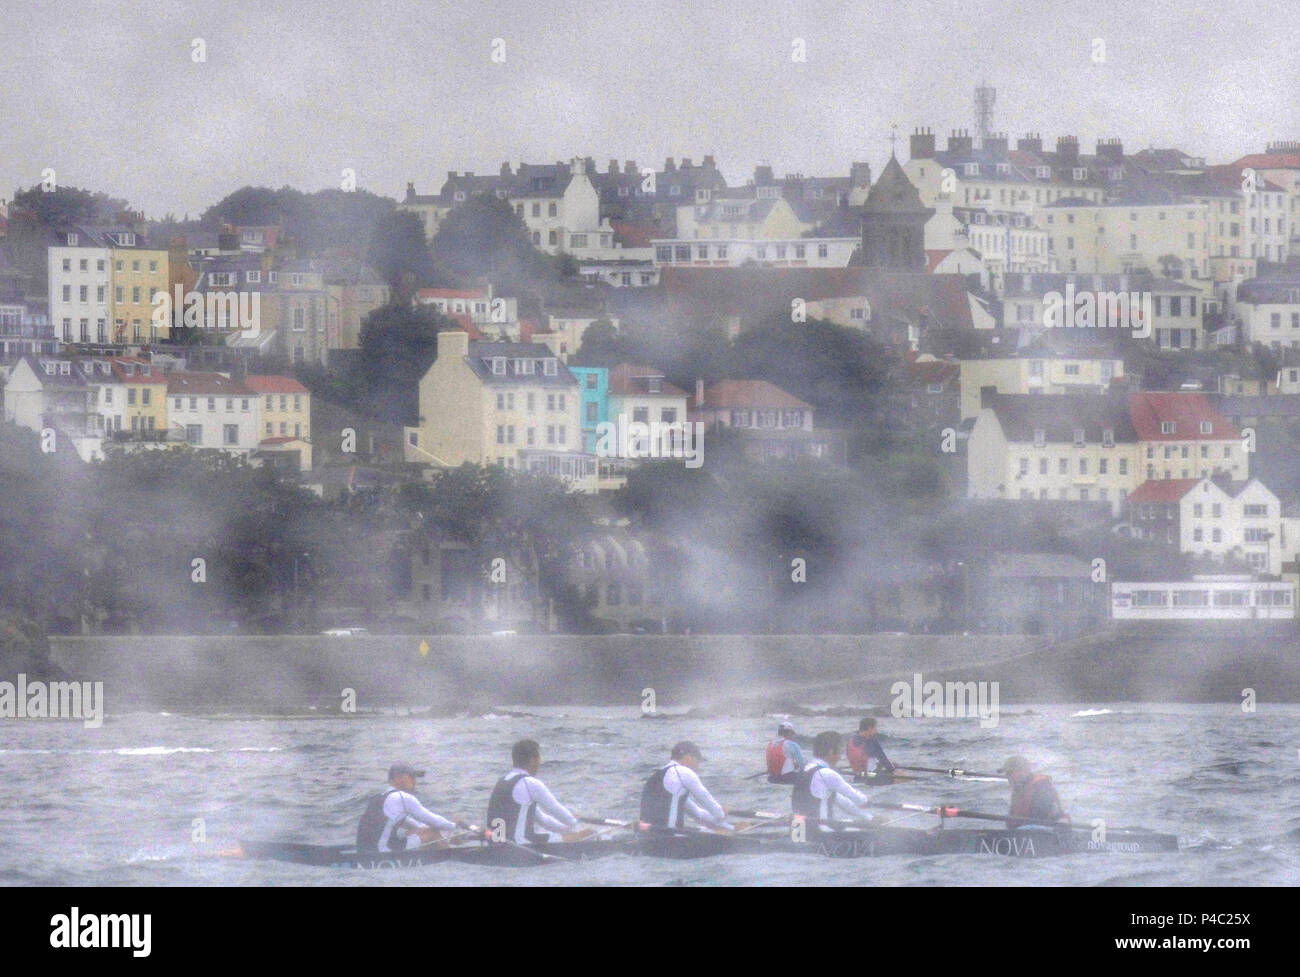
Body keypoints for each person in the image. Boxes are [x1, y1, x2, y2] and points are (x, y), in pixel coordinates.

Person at [486, 739, 593, 845]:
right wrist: (575, 824)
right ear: (533, 760)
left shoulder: (502, 781)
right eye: (539, 758)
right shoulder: (530, 783)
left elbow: (543, 820)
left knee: (567, 835)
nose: (539, 763)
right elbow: (555, 809)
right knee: (586, 835)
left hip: (495, 844)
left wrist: (568, 830)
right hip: (521, 845)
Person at [356, 762, 458, 853]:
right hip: (382, 852)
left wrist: (446, 834)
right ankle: (450, 857)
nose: (415, 782)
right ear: (398, 779)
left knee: (421, 830)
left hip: (363, 851)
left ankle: (437, 853)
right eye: (411, 777)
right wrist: (455, 827)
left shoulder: (378, 798)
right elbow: (433, 820)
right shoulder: (402, 797)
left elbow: (416, 825)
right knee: (432, 833)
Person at [640, 741, 735, 832]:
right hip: (670, 840)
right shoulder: (684, 772)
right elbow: (709, 802)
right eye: (697, 761)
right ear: (689, 758)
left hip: (647, 836)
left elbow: (698, 814)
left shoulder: (658, 776)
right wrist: (722, 814)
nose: (697, 766)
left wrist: (731, 827)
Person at [792, 732, 875, 829]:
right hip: (821, 833)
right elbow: (859, 799)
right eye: (840, 752)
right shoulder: (827, 774)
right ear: (831, 752)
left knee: (851, 822)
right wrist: (867, 801)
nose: (840, 757)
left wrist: (869, 818)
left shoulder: (804, 770)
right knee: (863, 828)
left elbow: (843, 802)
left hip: (798, 831)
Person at [1000, 756, 1070, 829]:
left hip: (1049, 831)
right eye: (1007, 774)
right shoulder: (1018, 791)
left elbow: (1040, 816)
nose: (1008, 777)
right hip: (1027, 833)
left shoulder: (1041, 786)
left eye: (1010, 773)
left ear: (1024, 771)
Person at [845, 717, 896, 783]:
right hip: (871, 776)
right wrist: (893, 771)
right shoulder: (871, 741)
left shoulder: (850, 741)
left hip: (857, 775)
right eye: (875, 728)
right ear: (869, 728)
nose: (876, 731)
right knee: (901, 776)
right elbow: (883, 759)